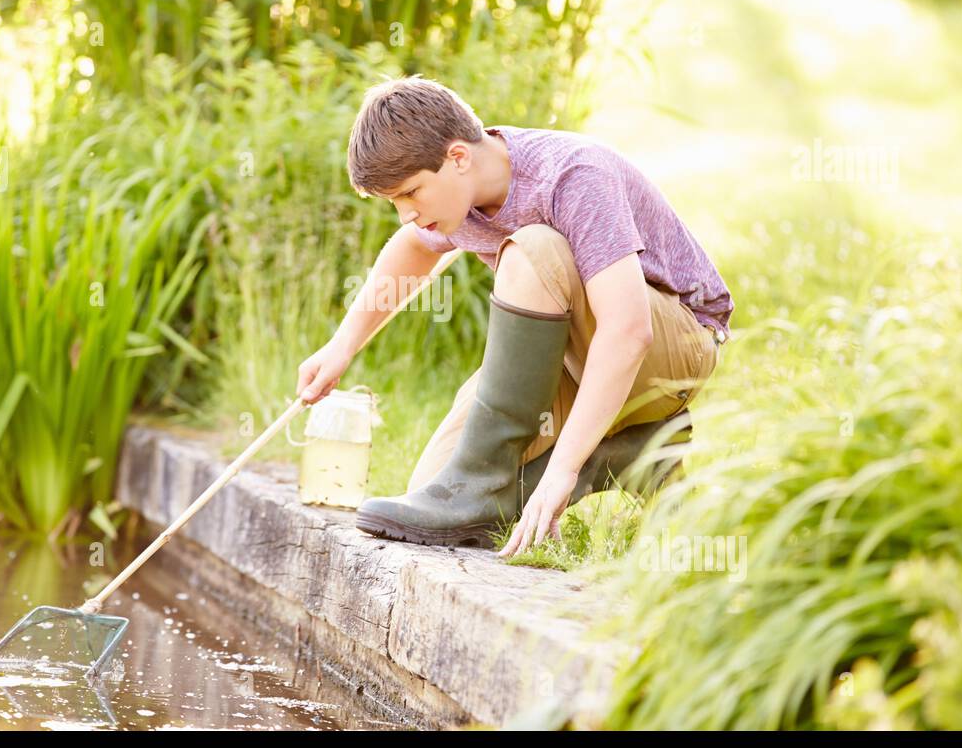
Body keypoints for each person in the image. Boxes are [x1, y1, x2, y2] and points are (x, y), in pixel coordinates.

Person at [296, 76, 733, 555]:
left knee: (533, 247)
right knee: (444, 496)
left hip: (673, 354)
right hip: (574, 359)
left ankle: (604, 444)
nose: (406, 214)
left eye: (411, 194)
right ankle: (629, 453)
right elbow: (411, 249)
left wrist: (562, 470)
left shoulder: (572, 176)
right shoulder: (458, 199)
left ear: (458, 157)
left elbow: (628, 331)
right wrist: (342, 347)